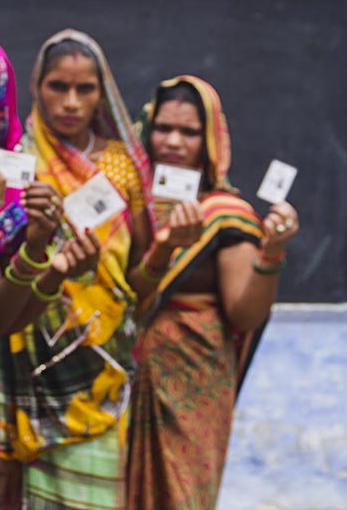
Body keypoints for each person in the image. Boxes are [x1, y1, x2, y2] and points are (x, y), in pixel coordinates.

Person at [0, 29, 153, 510]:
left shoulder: (122, 166)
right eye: (57, 86)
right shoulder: (17, 162)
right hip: (28, 353)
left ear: (102, 94)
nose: (70, 101)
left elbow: (142, 264)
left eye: (85, 89)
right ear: (37, 87)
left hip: (103, 361)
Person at [126, 76, 299, 509]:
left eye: (189, 132)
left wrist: (272, 252)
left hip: (195, 384)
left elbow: (243, 314)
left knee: (185, 497)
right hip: (124, 381)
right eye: (164, 128)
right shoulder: (128, 203)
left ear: (211, 139)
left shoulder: (227, 215)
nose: (173, 142)